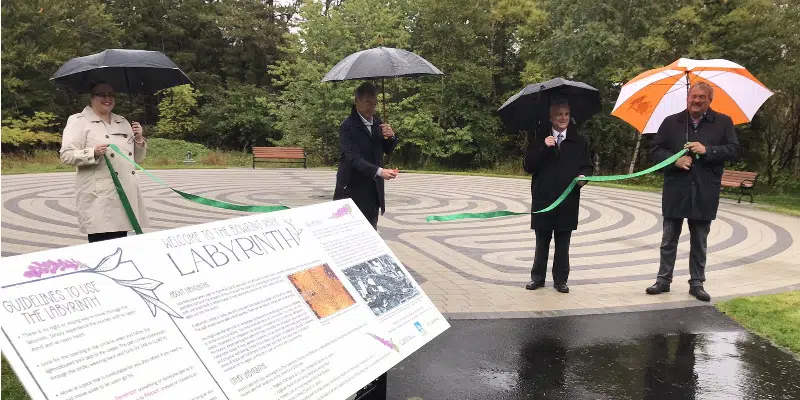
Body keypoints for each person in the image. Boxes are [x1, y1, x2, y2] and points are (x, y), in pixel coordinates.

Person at [645, 82, 739, 301]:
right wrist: (675, 160)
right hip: (676, 189)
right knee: (669, 238)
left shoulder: (723, 122)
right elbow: (655, 150)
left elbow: (733, 149)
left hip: (705, 189)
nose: (697, 101)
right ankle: (663, 280)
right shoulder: (671, 122)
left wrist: (708, 150)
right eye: (693, 96)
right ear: (688, 97)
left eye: (702, 97)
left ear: (709, 100)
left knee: (699, 239)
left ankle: (697, 283)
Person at [59, 82, 150, 242]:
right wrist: (92, 152)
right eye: (102, 94)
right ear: (92, 98)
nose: (107, 99)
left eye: (111, 95)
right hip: (99, 196)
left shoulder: (122, 122)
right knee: (101, 246)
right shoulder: (79, 121)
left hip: (124, 193)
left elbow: (136, 159)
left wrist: (139, 139)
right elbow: (66, 155)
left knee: (122, 244)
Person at [523, 99, 593, 293]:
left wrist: (584, 177)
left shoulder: (579, 141)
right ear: (550, 117)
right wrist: (544, 147)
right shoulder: (538, 139)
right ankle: (537, 278)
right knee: (542, 241)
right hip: (543, 199)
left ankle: (561, 280)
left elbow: (587, 166)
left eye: (566, 115)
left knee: (563, 243)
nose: (563, 118)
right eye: (559, 114)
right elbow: (528, 166)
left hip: (568, 201)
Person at [333, 82, 399, 231]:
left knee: (370, 232)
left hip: (372, 190)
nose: (372, 108)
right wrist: (380, 171)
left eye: (375, 104)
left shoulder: (377, 123)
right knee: (349, 234)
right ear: (357, 101)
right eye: (368, 102)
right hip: (351, 189)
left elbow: (386, 150)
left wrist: (391, 136)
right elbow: (353, 159)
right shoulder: (347, 126)